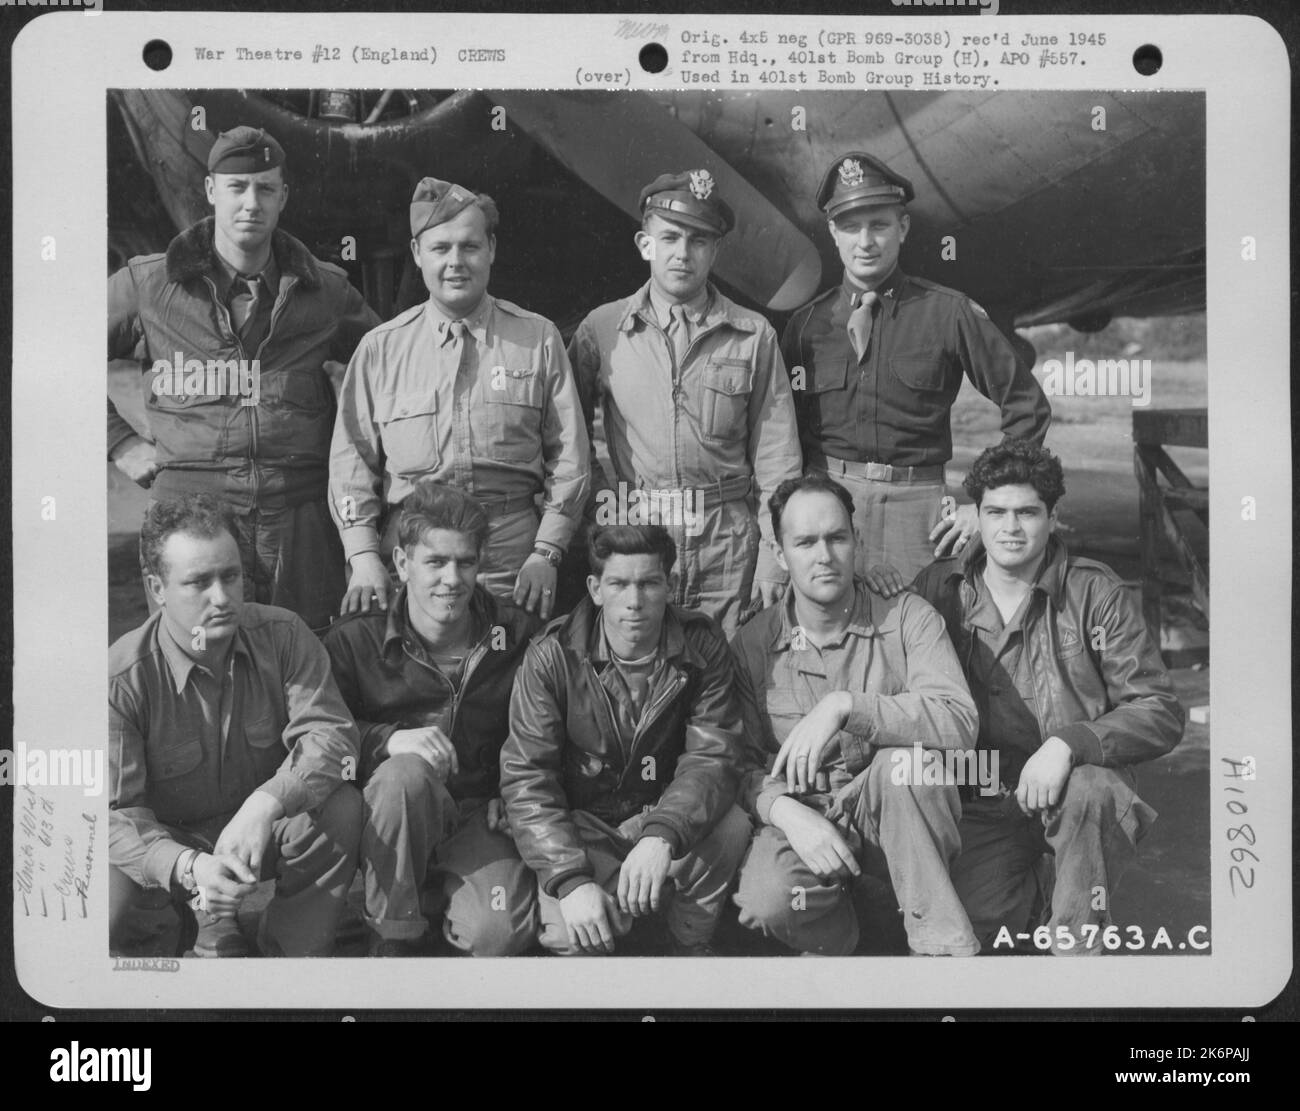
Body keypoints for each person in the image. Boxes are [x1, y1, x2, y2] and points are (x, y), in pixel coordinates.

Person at [910, 441, 1185, 953]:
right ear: (977, 515)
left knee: (1090, 788)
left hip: (1071, 794)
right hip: (985, 795)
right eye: (995, 512)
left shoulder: (1094, 593)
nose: (1010, 527)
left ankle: (1077, 956)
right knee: (982, 930)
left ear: (1053, 516)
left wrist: (1071, 742)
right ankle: (1047, 889)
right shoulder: (940, 587)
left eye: (1026, 512)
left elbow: (1160, 708)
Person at [108, 125, 380, 631]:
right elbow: (53, 352)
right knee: (197, 667)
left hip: (299, 520)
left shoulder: (327, 291)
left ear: (283, 197)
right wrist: (120, 442)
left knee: (304, 662)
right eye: (236, 187)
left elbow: (395, 364)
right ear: (211, 191)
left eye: (265, 188)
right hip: (191, 518)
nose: (250, 202)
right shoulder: (149, 285)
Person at [730, 473, 980, 956]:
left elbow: (959, 721)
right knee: (770, 900)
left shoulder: (908, 616)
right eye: (805, 542)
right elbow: (735, 763)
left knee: (904, 767)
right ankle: (858, 938)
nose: (824, 555)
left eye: (837, 537)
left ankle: (942, 953)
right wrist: (785, 811)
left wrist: (847, 706)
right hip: (807, 819)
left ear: (856, 541)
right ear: (781, 556)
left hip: (896, 826)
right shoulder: (752, 645)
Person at [109, 495, 362, 958]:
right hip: (176, 846)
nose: (222, 597)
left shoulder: (284, 636)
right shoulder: (122, 679)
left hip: (261, 833)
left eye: (230, 576)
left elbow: (332, 737)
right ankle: (178, 943)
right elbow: (115, 813)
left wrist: (266, 804)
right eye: (198, 583)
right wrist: (188, 867)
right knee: (106, 890)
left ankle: (292, 948)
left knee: (339, 806)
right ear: (157, 587)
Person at [782, 151, 1050, 583]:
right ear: (833, 232)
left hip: (919, 513)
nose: (865, 241)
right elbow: (780, 437)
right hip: (827, 507)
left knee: (923, 635)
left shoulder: (948, 313)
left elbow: (1027, 405)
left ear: (903, 228)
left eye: (879, 225)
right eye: (850, 226)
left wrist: (984, 501)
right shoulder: (805, 325)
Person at [330, 177, 590, 622]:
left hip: (512, 561)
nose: (456, 262)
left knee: (513, 676)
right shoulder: (380, 349)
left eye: (469, 247)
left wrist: (546, 553)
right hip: (417, 558)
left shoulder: (537, 339)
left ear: (491, 248)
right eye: (440, 248)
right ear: (416, 255)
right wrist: (363, 556)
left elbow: (570, 458)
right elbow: (350, 467)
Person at [499, 524, 752, 955]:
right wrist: (570, 878)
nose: (635, 602)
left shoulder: (702, 645)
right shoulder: (552, 655)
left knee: (732, 825)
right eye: (619, 584)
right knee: (570, 933)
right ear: (596, 589)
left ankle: (686, 942)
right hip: (586, 826)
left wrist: (662, 834)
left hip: (664, 816)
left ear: (668, 586)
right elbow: (527, 777)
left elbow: (713, 756)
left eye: (649, 583)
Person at [569, 170, 802, 637]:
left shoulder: (752, 335)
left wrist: (775, 560)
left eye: (699, 241)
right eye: (669, 237)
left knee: (727, 673)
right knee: (641, 668)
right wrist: (603, 506)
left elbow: (777, 457)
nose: (682, 253)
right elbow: (566, 437)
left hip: (728, 545)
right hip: (641, 537)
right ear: (644, 244)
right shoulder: (602, 329)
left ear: (715, 251)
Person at [322, 482, 541, 956]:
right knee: (405, 775)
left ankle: (437, 897)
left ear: (481, 562)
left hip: (479, 814)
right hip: (388, 817)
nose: (452, 579)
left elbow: (550, 728)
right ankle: (392, 934)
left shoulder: (518, 634)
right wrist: (387, 740)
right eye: (435, 562)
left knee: (496, 933)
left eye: (465, 562)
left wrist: (514, 789)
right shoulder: (355, 641)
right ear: (401, 564)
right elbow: (317, 736)